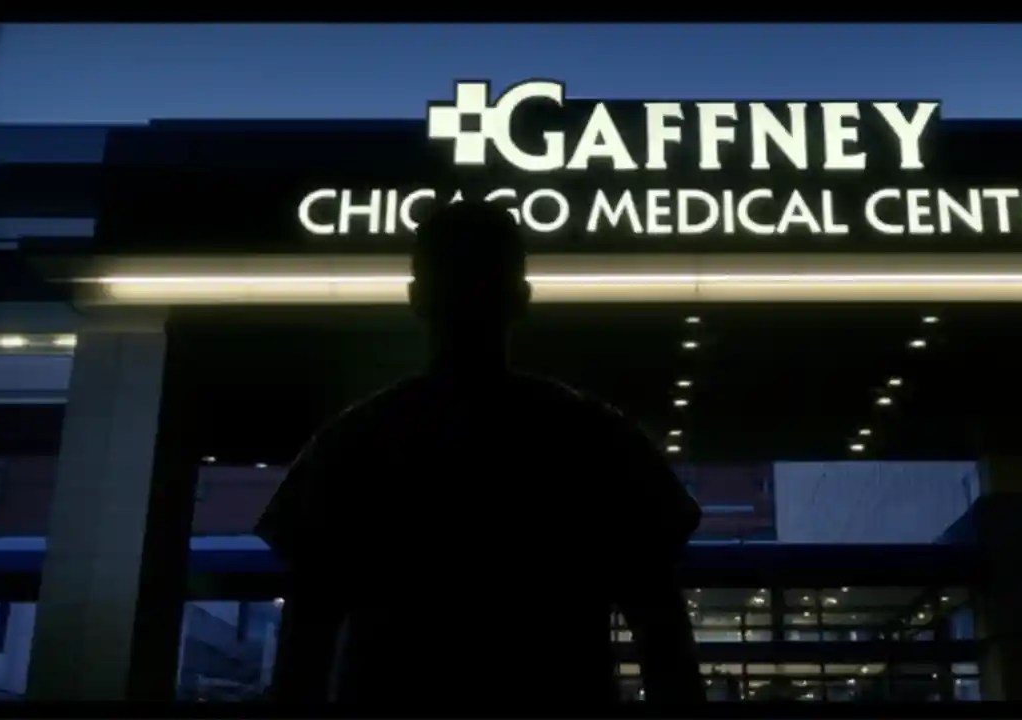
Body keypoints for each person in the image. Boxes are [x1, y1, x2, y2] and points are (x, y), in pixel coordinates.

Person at [254, 200, 704, 708]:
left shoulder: (352, 443)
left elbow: (303, 651)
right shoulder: (597, 437)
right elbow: (665, 641)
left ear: (417, 297)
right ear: (521, 297)